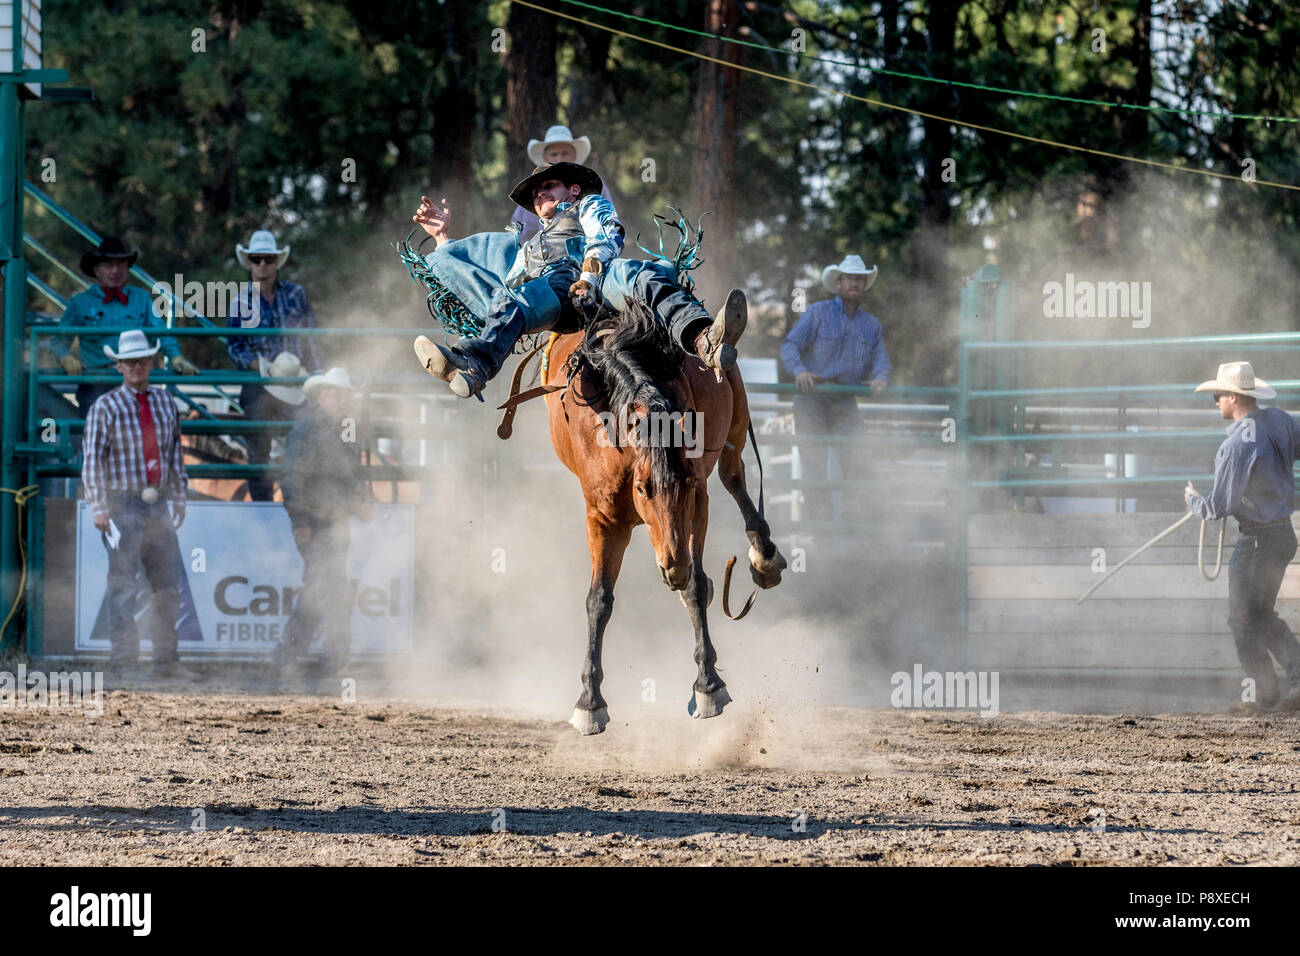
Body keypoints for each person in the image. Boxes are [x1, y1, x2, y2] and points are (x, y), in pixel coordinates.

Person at [411, 161, 744, 399]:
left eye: (548, 187)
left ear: (573, 189)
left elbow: (606, 235)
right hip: (551, 294)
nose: (541, 195)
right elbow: (497, 278)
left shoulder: (588, 206)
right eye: (536, 194)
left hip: (598, 280)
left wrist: (588, 278)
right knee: (510, 300)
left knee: (639, 275)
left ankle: (705, 339)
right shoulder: (527, 249)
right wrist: (443, 239)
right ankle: (474, 365)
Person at [81, 329, 199, 680]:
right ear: (118, 365)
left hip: (158, 504)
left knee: (166, 586)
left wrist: (179, 495)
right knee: (123, 585)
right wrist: (99, 506)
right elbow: (92, 461)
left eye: (142, 360)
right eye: (129, 361)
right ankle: (124, 663)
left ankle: (166, 661)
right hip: (121, 505)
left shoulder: (165, 403)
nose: (136, 366)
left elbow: (174, 454)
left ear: (152, 362)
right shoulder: (105, 407)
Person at [1185, 362, 1300, 713]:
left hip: (1256, 542)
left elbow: (1218, 506)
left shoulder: (1236, 445)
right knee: (1261, 616)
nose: (1216, 401)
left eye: (1218, 395)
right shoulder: (1280, 420)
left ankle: (1264, 693)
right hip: (1281, 535)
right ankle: (1283, 687)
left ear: (1233, 397)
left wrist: (1193, 500)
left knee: (1242, 620)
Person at [276, 367, 373, 674]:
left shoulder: (344, 429)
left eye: (345, 395)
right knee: (322, 587)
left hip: (333, 522)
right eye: (336, 394)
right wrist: (300, 522)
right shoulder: (308, 430)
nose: (342, 400)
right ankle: (301, 657)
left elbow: (349, 477)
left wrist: (357, 502)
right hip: (316, 522)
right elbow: (292, 479)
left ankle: (318, 657)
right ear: (322, 397)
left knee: (326, 588)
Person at [780, 254, 891, 523]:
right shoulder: (818, 312)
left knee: (861, 464)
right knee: (815, 471)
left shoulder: (871, 325)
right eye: (850, 278)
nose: (855, 283)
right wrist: (800, 370)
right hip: (812, 400)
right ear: (839, 283)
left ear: (865, 285)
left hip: (844, 402)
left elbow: (881, 360)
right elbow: (790, 345)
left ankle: (861, 531)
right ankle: (823, 538)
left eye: (860, 279)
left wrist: (880, 377)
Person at [225, 230, 322, 501]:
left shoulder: (296, 295)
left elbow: (310, 338)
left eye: (268, 259)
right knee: (258, 448)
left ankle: (301, 500)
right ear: (250, 263)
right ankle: (263, 506)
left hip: (294, 380)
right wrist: (261, 366)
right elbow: (235, 346)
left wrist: (316, 377)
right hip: (260, 381)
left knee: (305, 438)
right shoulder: (240, 301)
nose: (263, 265)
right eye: (257, 259)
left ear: (276, 262)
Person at [51, 237, 199, 412]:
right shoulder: (80, 302)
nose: (115, 270)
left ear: (127, 269)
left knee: (137, 433)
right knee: (95, 433)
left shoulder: (141, 298)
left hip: (134, 378)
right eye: (108, 265)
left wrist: (175, 356)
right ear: (97, 270)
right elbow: (59, 340)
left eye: (121, 264)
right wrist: (65, 358)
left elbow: (159, 330)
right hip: (97, 382)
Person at [509, 125, 615, 241]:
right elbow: (519, 232)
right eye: (554, 154)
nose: (559, 158)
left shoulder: (592, 183)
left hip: (589, 249)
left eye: (565, 153)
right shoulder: (535, 188)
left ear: (574, 156)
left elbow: (610, 223)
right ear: (545, 158)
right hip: (545, 253)